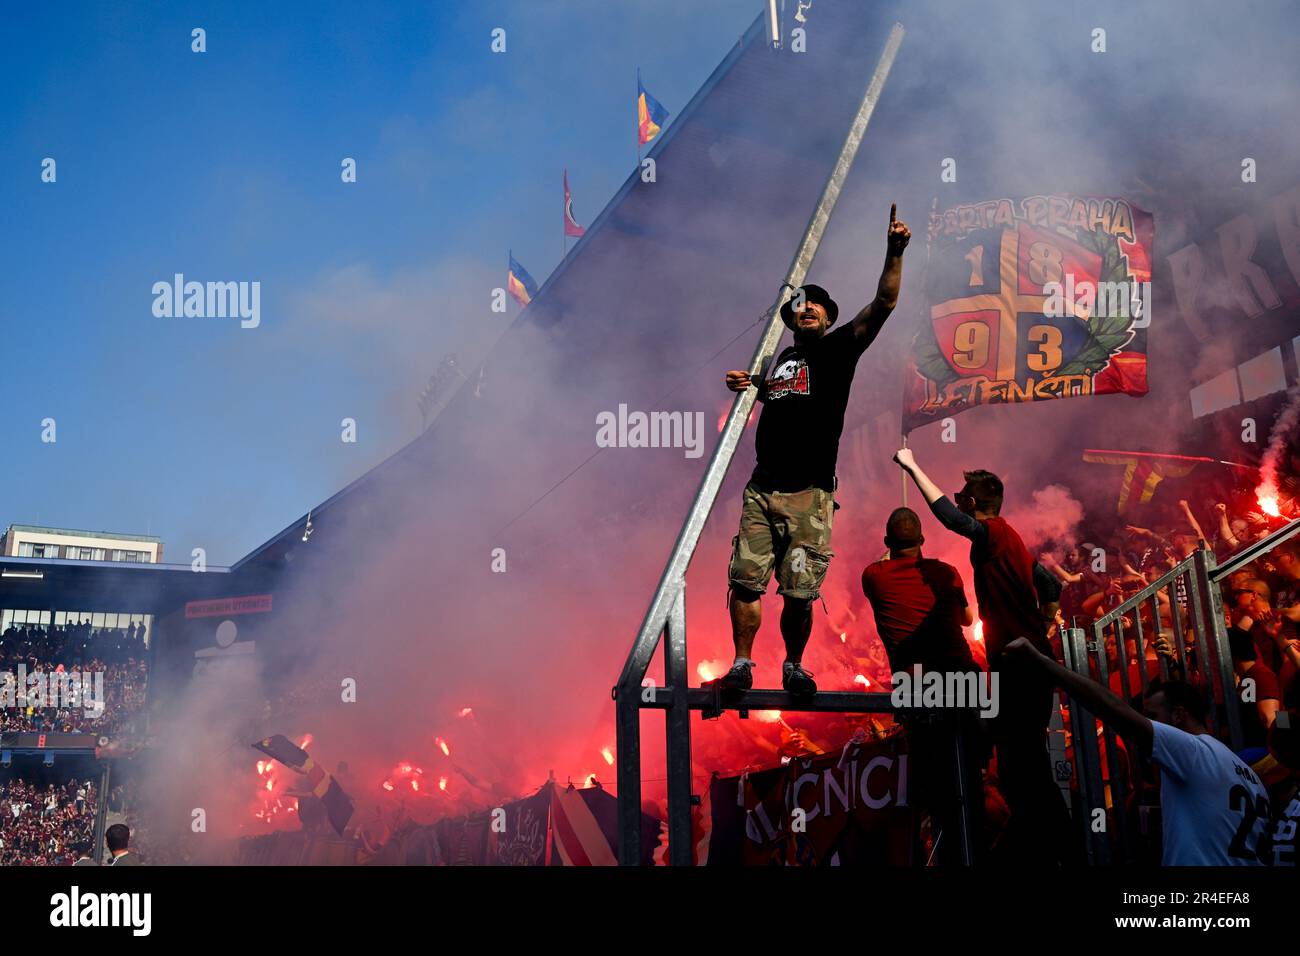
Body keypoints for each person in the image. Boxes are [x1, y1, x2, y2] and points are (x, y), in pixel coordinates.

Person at [715, 204, 912, 699]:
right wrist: (754, 383)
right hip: (763, 489)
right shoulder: (783, 360)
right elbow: (785, 396)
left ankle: (794, 666)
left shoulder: (840, 348)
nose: (806, 309)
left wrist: (894, 250)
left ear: (827, 317)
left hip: (810, 493)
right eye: (800, 306)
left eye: (816, 306)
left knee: (800, 593)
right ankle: (742, 663)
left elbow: (884, 303)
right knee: (745, 581)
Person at [893, 449, 1075, 864]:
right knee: (1021, 768)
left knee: (1022, 769)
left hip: (1021, 668)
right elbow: (1049, 585)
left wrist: (912, 466)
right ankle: (1048, 851)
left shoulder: (993, 533)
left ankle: (1059, 853)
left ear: (973, 504)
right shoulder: (1009, 539)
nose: (957, 499)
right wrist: (1040, 628)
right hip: (1026, 662)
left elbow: (950, 519)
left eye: (961, 495)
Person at [1004, 637, 1271, 865]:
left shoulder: (1193, 752)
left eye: (1152, 716)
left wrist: (1042, 662)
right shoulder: (1249, 775)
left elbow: (1114, 710)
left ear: (1178, 716)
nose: (1148, 722)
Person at [860, 506, 982, 863]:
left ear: (887, 541)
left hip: (919, 689)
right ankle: (973, 848)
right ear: (923, 540)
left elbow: (881, 567)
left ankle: (945, 852)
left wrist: (888, 555)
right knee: (971, 775)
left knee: (933, 783)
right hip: (964, 679)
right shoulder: (946, 573)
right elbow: (966, 618)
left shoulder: (874, 576)